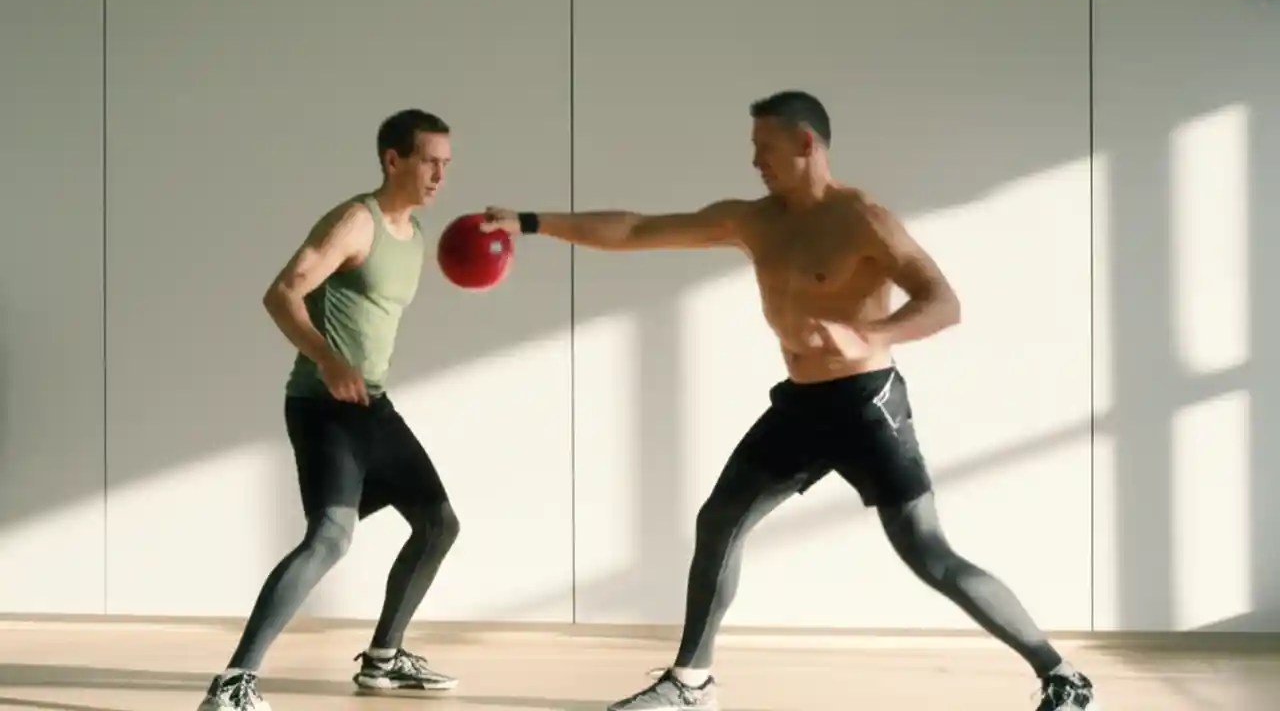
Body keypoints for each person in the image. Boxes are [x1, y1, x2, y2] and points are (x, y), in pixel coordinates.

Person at [482, 90, 1100, 711]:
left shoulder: (863, 218)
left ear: (807, 144)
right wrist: (531, 223)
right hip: (802, 407)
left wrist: (871, 334)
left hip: (866, 404)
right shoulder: (756, 220)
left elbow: (943, 302)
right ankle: (691, 682)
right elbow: (639, 229)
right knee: (720, 519)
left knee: (928, 553)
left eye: (765, 148)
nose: (755, 161)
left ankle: (1063, 676)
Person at [197, 109, 461, 711]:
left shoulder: (415, 236)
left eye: (447, 163)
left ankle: (384, 660)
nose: (440, 174)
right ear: (392, 160)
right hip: (323, 406)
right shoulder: (354, 222)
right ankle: (235, 683)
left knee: (439, 523)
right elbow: (282, 292)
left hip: (373, 407)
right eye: (429, 160)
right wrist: (326, 359)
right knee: (330, 539)